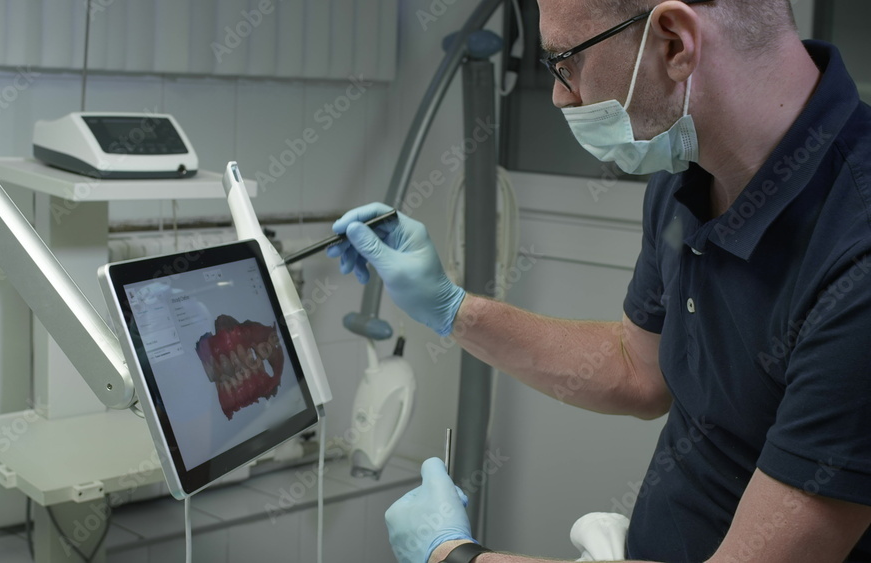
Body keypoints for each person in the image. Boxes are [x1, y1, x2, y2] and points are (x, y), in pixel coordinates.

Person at [328, 0, 871, 562]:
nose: (560, 95)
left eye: (566, 62)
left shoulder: (856, 252)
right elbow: (637, 368)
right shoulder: (687, 172)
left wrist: (452, 556)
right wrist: (451, 307)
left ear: (674, 43)